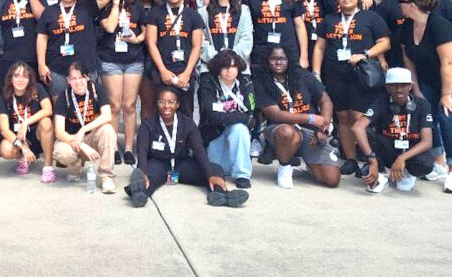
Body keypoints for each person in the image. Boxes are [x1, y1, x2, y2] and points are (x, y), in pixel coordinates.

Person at [399, 0, 452, 194]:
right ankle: (438, 163)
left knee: (446, 117)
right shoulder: (407, 27)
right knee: (427, 117)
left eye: (402, 1)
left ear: (413, 5)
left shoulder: (439, 25)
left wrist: (446, 95)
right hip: (429, 80)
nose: (399, 4)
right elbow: (409, 61)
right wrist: (416, 90)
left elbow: (449, 63)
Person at [312, 0, 390, 175]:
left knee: (359, 118)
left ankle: (370, 158)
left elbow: (385, 42)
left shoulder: (371, 18)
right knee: (343, 118)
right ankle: (350, 159)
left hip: (362, 76)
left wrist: (366, 54)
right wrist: (316, 73)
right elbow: (320, 47)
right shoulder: (328, 20)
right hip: (335, 76)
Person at [126, 88, 247, 208]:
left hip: (181, 166)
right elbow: (142, 149)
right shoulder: (148, 123)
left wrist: (210, 173)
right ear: (157, 103)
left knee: (215, 169)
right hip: (159, 164)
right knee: (147, 177)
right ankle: (140, 194)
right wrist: (143, 171)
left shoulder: (187, 123)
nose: (166, 106)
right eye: (162, 101)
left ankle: (221, 194)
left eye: (171, 102)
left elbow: (198, 149)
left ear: (177, 104)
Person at [253, 46, 340, 189]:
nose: (278, 62)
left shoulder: (303, 76)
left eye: (282, 59)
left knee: (332, 180)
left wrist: (323, 129)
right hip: (279, 129)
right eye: (273, 59)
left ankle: (311, 165)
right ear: (267, 61)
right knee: (288, 132)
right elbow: (275, 114)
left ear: (289, 60)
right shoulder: (261, 81)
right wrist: (310, 118)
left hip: (311, 132)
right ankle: (284, 167)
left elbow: (326, 101)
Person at [352, 68, 436, 193]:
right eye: (394, 86)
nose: (399, 89)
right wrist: (372, 160)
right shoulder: (380, 102)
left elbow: (427, 141)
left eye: (403, 85)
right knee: (365, 135)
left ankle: (406, 171)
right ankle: (380, 173)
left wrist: (402, 158)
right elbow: (357, 127)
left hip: (410, 151)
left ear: (410, 86)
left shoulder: (422, 105)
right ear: (387, 87)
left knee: (426, 164)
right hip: (388, 148)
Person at [36, 0, 112, 99]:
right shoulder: (49, 11)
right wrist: (41, 64)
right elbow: (42, 38)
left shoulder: (87, 6)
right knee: (59, 106)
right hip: (57, 68)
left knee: (87, 105)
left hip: (86, 67)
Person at [98, 0, 146, 166]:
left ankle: (128, 148)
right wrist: (116, 2)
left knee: (129, 105)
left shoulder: (136, 3)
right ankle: (113, 148)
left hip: (134, 59)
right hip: (110, 59)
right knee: (115, 106)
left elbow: (145, 30)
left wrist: (137, 39)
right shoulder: (103, 3)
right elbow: (109, 27)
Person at [51, 62, 118, 193]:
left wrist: (83, 130)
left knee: (108, 130)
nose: (78, 82)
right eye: (74, 78)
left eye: (81, 77)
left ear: (87, 78)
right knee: (61, 151)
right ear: (68, 80)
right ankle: (75, 167)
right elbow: (59, 132)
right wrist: (81, 144)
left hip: (93, 137)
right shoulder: (64, 97)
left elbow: (107, 116)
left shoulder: (96, 89)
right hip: (72, 140)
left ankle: (107, 176)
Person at [145, 0, 204, 116]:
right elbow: (151, 43)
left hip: (185, 70)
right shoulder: (155, 13)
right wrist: (162, 70)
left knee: (186, 111)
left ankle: (185, 138)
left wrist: (187, 73)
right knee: (162, 110)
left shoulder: (193, 14)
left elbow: (197, 46)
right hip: (162, 70)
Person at [198, 50, 256, 188]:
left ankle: (243, 175)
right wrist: (241, 117)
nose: (229, 71)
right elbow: (213, 116)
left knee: (240, 129)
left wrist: (237, 118)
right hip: (214, 132)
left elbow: (251, 108)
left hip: (234, 129)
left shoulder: (246, 83)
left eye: (233, 67)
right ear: (218, 68)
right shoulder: (207, 84)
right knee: (219, 170)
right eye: (225, 67)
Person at [242, 0, 309, 69]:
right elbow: (246, 29)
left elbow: (300, 25)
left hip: (288, 52)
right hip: (261, 52)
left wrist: (304, 56)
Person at [0, 61, 56, 182]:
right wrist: (23, 147)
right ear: (10, 78)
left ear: (30, 79)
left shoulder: (38, 88)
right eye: (16, 76)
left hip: (37, 135)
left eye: (25, 76)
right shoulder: (5, 96)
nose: (20, 80)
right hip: (19, 138)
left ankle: (48, 167)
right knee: (5, 149)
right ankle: (24, 158)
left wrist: (26, 122)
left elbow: (48, 110)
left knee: (46, 122)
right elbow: (4, 129)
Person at [199, 0, 254, 75]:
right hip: (210, 66)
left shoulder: (243, 10)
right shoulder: (203, 12)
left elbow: (246, 39)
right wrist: (218, 60)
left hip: (238, 67)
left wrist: (232, 60)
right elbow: (201, 41)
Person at [132, 0, 161, 122]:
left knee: (157, 102)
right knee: (146, 102)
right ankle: (145, 134)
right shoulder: (129, 5)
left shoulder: (161, 6)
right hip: (136, 57)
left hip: (156, 58)